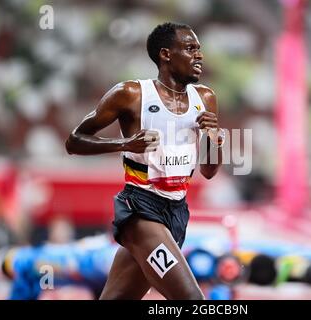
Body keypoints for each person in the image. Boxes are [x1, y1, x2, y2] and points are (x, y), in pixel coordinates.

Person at [65, 22, 225, 300]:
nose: (199, 56)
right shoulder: (131, 94)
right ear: (165, 54)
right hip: (140, 210)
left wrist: (213, 138)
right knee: (193, 301)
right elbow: (74, 141)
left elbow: (209, 171)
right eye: (190, 49)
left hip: (176, 212)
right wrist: (124, 144)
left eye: (199, 50)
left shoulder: (206, 98)